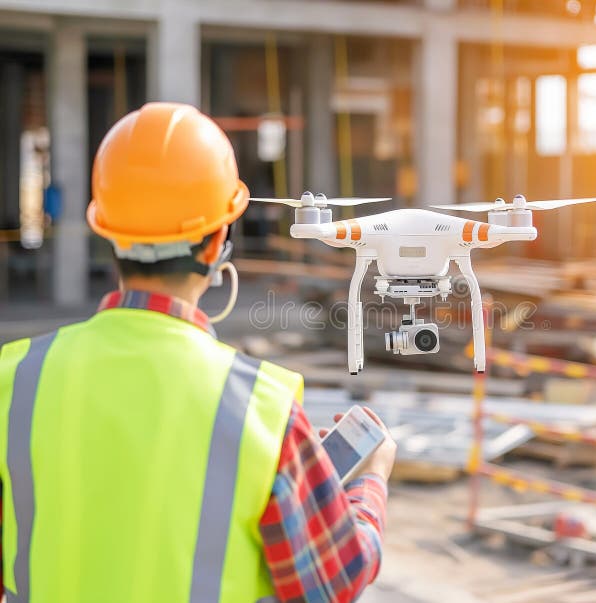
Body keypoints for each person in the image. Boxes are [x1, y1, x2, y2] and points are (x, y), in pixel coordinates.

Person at [0, 102, 396, 603]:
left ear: (108, 232)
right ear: (216, 244)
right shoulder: (263, 411)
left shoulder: (15, 381)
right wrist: (372, 480)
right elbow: (333, 580)